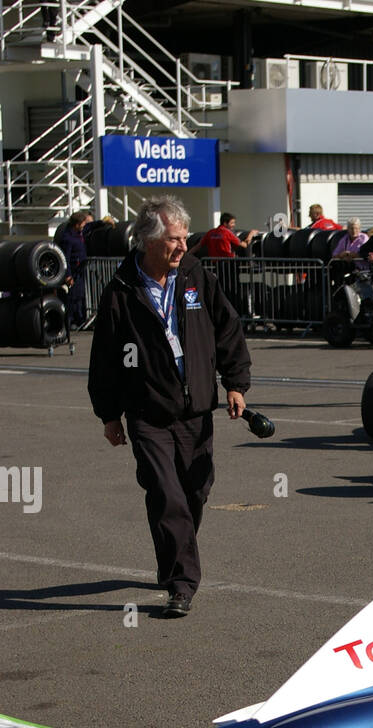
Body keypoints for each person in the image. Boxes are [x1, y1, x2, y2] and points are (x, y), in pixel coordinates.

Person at [88, 195, 251, 618]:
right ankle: (182, 583)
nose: (182, 247)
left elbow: (227, 329)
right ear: (148, 241)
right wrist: (109, 414)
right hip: (148, 412)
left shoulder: (195, 275)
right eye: (174, 240)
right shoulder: (121, 291)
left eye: (184, 238)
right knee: (166, 494)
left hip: (196, 407)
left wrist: (236, 384)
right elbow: (105, 357)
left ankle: (174, 557)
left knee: (196, 490)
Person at [57, 209, 91, 328]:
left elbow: (90, 226)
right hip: (73, 272)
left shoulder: (79, 234)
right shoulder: (68, 239)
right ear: (77, 224)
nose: (84, 226)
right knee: (73, 297)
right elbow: (65, 258)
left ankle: (80, 319)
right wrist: (68, 275)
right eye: (82, 223)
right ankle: (69, 321)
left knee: (80, 296)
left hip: (80, 271)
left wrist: (103, 222)